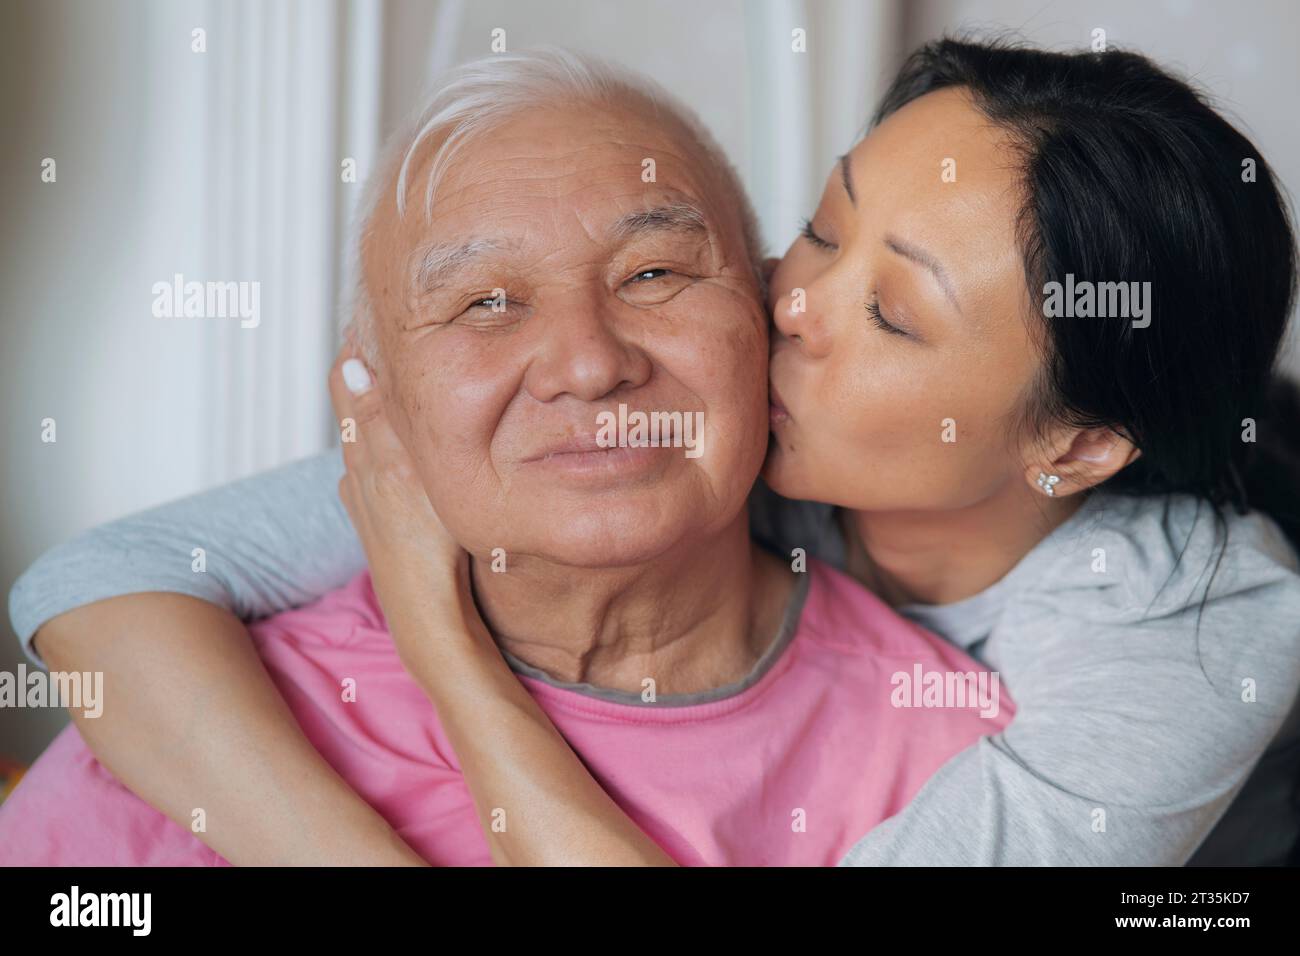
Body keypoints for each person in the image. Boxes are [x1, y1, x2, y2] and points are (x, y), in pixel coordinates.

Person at [10, 38, 1300, 866]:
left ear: (1072, 446)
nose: (785, 304)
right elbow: (97, 584)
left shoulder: (1197, 631)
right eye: (820, 228)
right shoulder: (707, 441)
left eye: (893, 316)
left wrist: (441, 640)